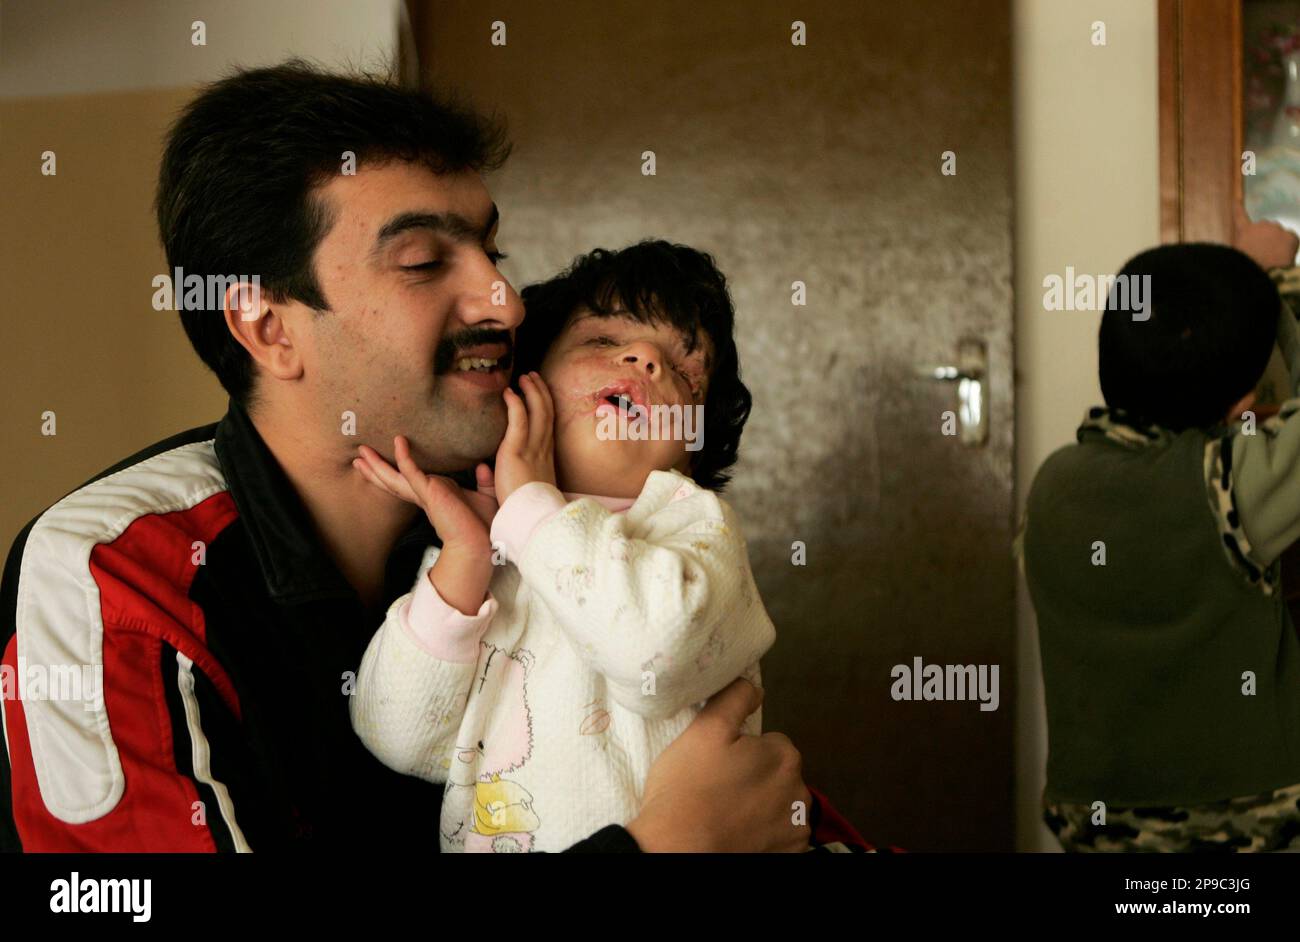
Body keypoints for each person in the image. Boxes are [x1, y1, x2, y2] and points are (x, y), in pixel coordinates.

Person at [0, 60, 811, 852]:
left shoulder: (534, 504)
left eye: (494, 253)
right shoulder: (117, 574)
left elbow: (720, 779)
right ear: (270, 329)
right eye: (425, 262)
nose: (506, 300)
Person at [349, 241, 780, 852]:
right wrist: (467, 556)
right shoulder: (486, 548)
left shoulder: (697, 530)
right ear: (526, 383)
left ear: (694, 447)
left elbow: (652, 653)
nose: (645, 360)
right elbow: (397, 736)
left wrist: (530, 510)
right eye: (603, 341)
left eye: (686, 373)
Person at [1022, 239, 1300, 851]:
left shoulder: (1052, 485)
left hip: (1094, 822)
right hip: (1246, 821)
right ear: (1243, 404)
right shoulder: (1231, 483)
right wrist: (1279, 284)